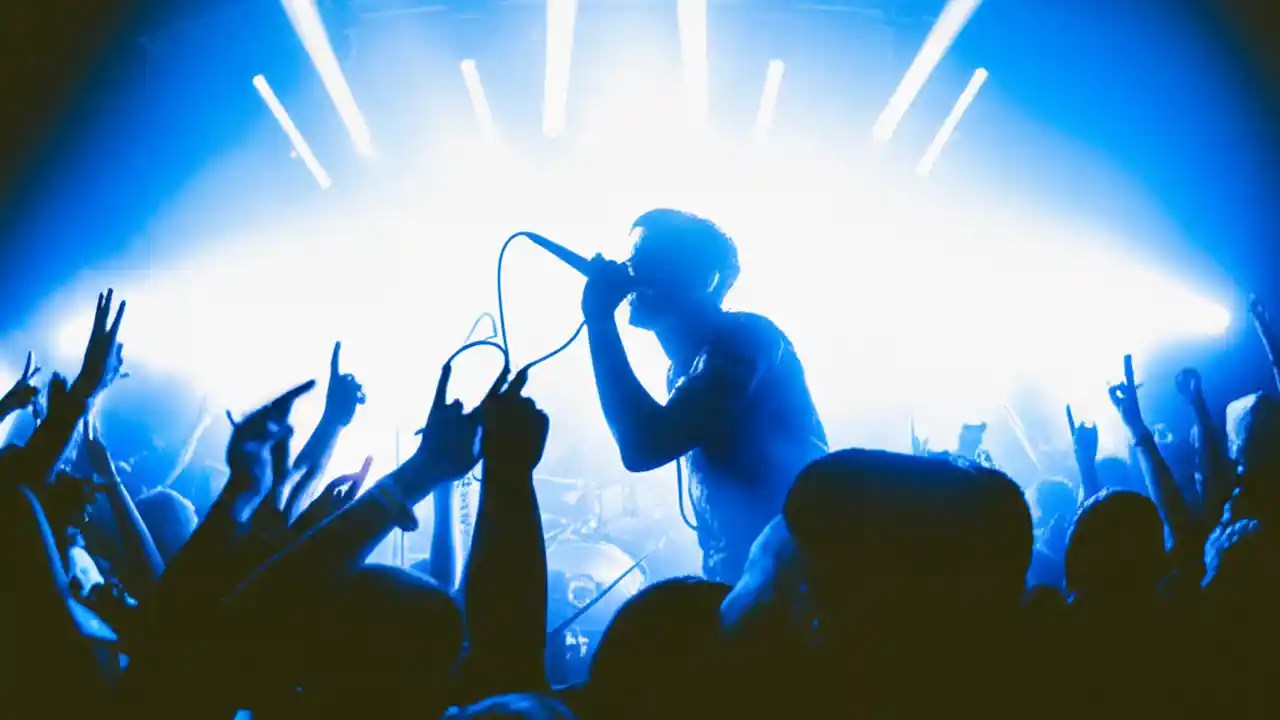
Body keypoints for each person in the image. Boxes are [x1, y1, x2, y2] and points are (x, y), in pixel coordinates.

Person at [581, 209, 827, 583]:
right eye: (632, 259)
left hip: (796, 578)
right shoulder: (684, 367)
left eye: (648, 261)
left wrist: (600, 322)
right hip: (747, 578)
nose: (630, 272)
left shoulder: (744, 338)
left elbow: (644, 445)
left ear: (706, 278)